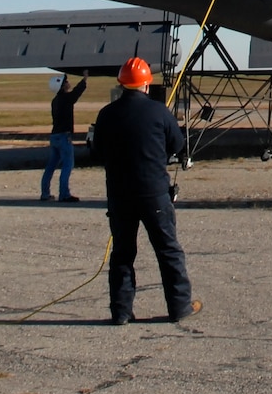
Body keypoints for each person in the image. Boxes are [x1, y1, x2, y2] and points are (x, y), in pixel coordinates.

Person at [92, 57, 202, 326]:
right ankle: (179, 306)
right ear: (146, 84)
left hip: (120, 195)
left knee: (122, 253)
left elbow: (97, 151)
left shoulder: (107, 114)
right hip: (154, 194)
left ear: (121, 84)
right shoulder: (159, 112)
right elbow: (177, 145)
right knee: (168, 251)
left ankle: (121, 312)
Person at [40, 69, 89, 203]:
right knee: (67, 165)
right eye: (65, 82)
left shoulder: (55, 101)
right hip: (63, 137)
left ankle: (45, 193)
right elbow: (77, 92)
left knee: (51, 165)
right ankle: (64, 194)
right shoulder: (66, 99)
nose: (68, 83)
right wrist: (84, 79)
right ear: (62, 86)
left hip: (54, 136)